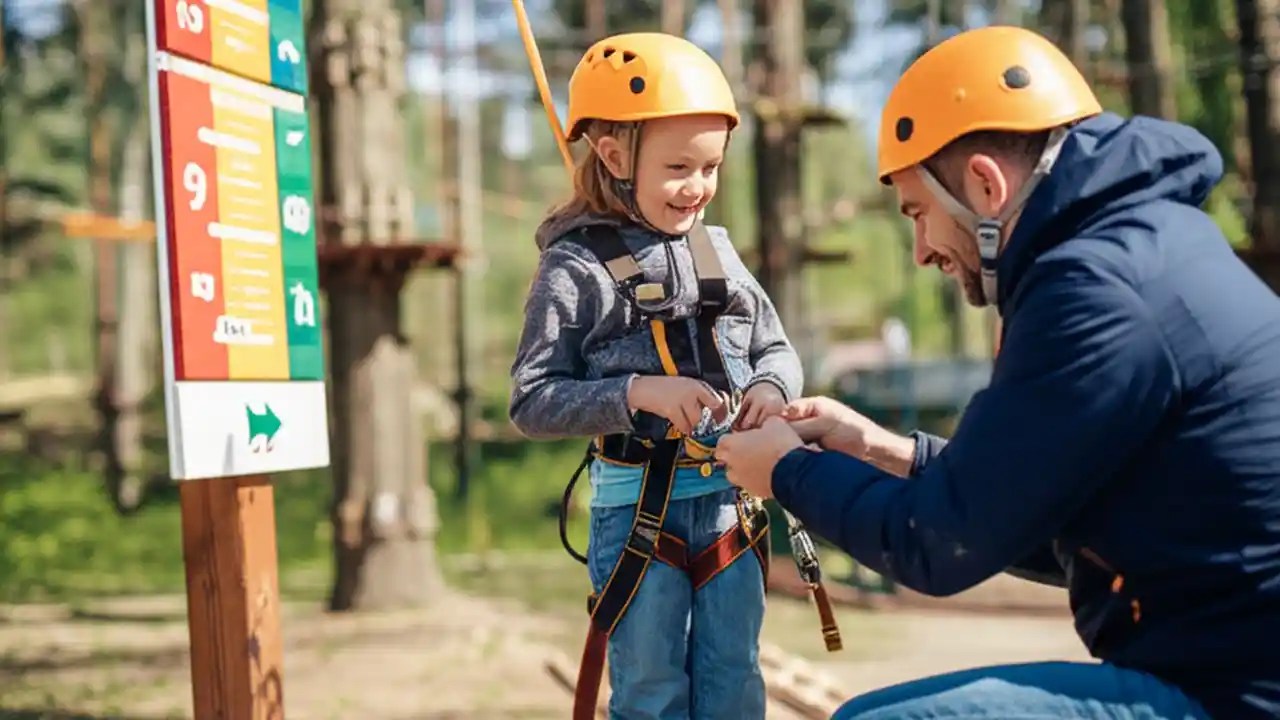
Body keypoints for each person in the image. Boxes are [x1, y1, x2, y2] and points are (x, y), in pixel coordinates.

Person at [715, 24, 1280, 720]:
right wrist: (879, 450)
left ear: (984, 185)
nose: (922, 250)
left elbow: (938, 545)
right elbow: (1030, 520)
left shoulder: (1095, 292)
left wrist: (784, 474)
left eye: (919, 214)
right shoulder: (1142, 248)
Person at [508, 32, 804, 720]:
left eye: (711, 167)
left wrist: (769, 389)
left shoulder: (717, 251)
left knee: (735, 682)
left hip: (732, 506)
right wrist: (638, 393)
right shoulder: (575, 270)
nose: (698, 187)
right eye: (678, 167)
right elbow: (532, 399)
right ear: (613, 155)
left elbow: (775, 347)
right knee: (650, 690)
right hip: (638, 510)